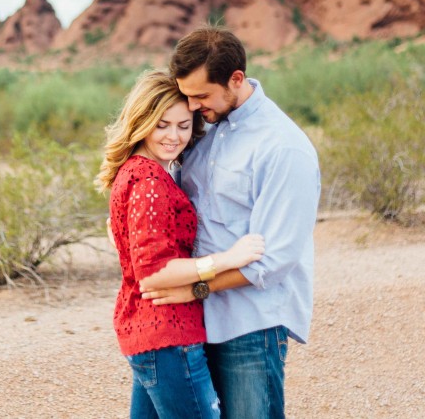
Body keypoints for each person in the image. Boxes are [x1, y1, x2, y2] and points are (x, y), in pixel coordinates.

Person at [141, 28, 321, 419]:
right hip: (192, 322)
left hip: (250, 324)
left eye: (201, 95)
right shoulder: (202, 130)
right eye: (186, 94)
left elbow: (274, 259)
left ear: (236, 79)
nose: (191, 105)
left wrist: (196, 289)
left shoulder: (283, 148)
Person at [99, 70, 266, 419]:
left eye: (183, 125)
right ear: (142, 121)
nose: (174, 136)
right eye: (162, 125)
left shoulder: (139, 172)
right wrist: (227, 259)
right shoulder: (148, 180)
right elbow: (154, 271)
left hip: (152, 334)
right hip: (167, 335)